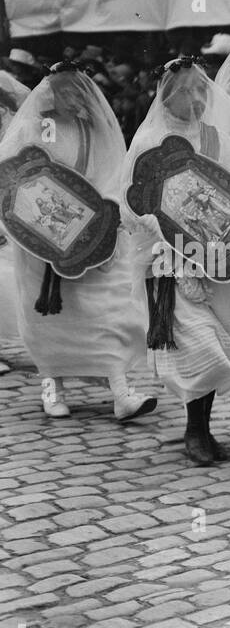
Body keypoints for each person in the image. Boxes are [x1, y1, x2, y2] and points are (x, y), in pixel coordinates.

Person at [121, 58, 230, 464]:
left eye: (201, 91)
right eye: (185, 91)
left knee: (219, 341)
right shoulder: (150, 142)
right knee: (196, 340)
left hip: (218, 258)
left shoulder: (219, 139)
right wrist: (167, 241)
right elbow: (131, 205)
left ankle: (201, 423)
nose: (196, 99)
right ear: (167, 96)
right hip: (169, 261)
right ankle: (195, 430)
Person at [0, 65, 155, 420]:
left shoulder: (95, 128)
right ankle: (52, 383)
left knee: (107, 309)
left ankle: (121, 390)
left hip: (93, 235)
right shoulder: (37, 125)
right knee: (48, 318)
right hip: (41, 238)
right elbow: (15, 173)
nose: (74, 98)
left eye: (79, 91)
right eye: (65, 91)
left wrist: (108, 213)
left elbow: (114, 171)